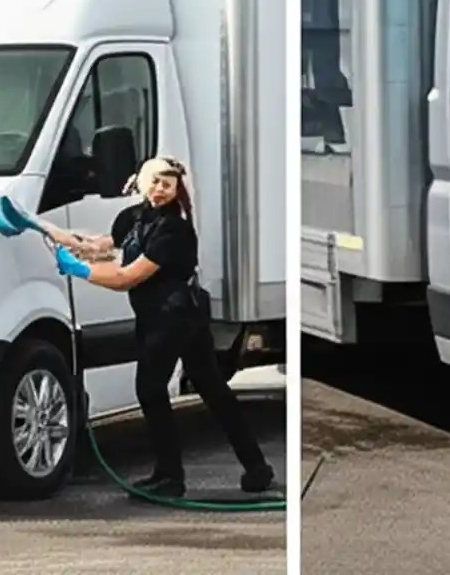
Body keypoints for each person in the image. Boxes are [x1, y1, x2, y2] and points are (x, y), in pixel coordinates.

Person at [39, 156, 275, 498]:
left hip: (174, 318)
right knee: (214, 392)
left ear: (178, 188)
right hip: (167, 317)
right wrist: (47, 232)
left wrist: (79, 270)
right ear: (140, 182)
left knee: (151, 390)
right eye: (154, 181)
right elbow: (97, 246)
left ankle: (170, 477)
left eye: (168, 183)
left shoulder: (174, 229)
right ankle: (256, 468)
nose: (160, 188)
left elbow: (126, 277)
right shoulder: (134, 218)